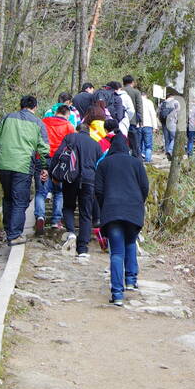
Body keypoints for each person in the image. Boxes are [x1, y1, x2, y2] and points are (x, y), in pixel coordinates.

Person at [94, 134, 149, 306]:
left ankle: (117, 294)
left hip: (112, 211)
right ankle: (131, 280)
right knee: (130, 242)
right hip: (133, 211)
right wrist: (138, 202)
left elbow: (98, 190)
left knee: (117, 252)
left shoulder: (104, 164)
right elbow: (145, 187)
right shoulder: (136, 163)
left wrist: (105, 206)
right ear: (127, 147)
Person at [0, 95, 48, 245]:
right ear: (35, 107)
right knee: (20, 200)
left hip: (4, 164)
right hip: (23, 166)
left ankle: (9, 230)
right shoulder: (38, 123)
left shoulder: (7, 118)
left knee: (8, 197)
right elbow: (43, 148)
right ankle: (14, 235)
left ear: (21, 105)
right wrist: (44, 167)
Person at [55, 121, 101, 261]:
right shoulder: (95, 144)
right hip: (89, 180)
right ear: (89, 132)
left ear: (77, 130)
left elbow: (58, 155)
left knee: (68, 207)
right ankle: (82, 248)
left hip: (71, 178)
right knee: (86, 213)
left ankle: (71, 233)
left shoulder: (70, 138)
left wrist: (54, 175)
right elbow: (99, 163)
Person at [36, 103, 75, 233]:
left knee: (41, 191)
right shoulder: (68, 126)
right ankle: (56, 220)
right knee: (59, 192)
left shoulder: (43, 122)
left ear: (56, 112)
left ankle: (40, 216)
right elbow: (72, 145)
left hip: (43, 158)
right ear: (67, 115)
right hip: (60, 161)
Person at [122, 74, 147, 157]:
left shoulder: (120, 91)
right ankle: (136, 159)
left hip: (121, 121)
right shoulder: (136, 92)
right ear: (132, 82)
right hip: (132, 120)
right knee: (134, 143)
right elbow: (139, 107)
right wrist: (141, 121)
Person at [159, 90, 180, 156]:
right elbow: (179, 112)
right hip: (172, 122)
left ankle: (167, 153)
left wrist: (161, 121)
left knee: (166, 139)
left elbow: (158, 113)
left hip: (164, 122)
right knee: (174, 137)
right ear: (172, 96)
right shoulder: (175, 102)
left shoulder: (162, 103)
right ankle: (170, 151)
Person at [139, 88, 156, 160]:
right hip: (148, 125)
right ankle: (148, 159)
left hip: (138, 125)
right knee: (148, 145)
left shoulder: (137, 102)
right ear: (145, 95)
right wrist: (155, 126)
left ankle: (139, 159)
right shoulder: (149, 102)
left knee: (139, 144)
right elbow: (153, 114)